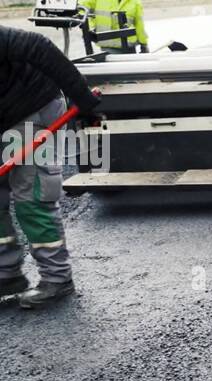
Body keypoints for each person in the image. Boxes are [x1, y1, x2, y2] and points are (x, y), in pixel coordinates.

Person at [0, 26, 100, 307]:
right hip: (4, 113)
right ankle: (6, 274)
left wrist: (82, 97)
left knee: (31, 195)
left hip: (32, 107)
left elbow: (39, 47)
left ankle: (57, 279)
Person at [79, 0, 149, 54]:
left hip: (129, 47)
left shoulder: (134, 1)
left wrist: (144, 44)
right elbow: (82, 9)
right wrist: (90, 27)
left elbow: (139, 25)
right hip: (108, 45)